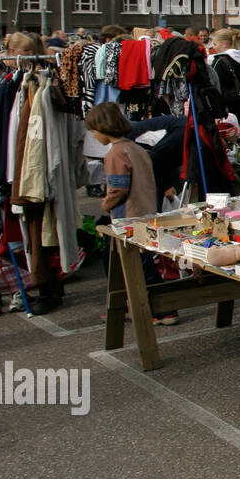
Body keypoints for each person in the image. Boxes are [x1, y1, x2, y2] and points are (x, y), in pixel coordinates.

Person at [86, 103, 177, 324]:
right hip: (146, 211)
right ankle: (152, 306)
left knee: (135, 265)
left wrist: (106, 205)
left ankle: (159, 308)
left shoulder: (116, 154)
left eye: (94, 131)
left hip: (127, 216)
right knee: (144, 261)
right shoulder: (137, 149)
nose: (94, 136)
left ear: (103, 128)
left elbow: (118, 188)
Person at [208, 28, 240, 128]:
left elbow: (214, 88)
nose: (214, 48)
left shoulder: (219, 61)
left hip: (227, 111)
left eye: (215, 44)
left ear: (224, 43)